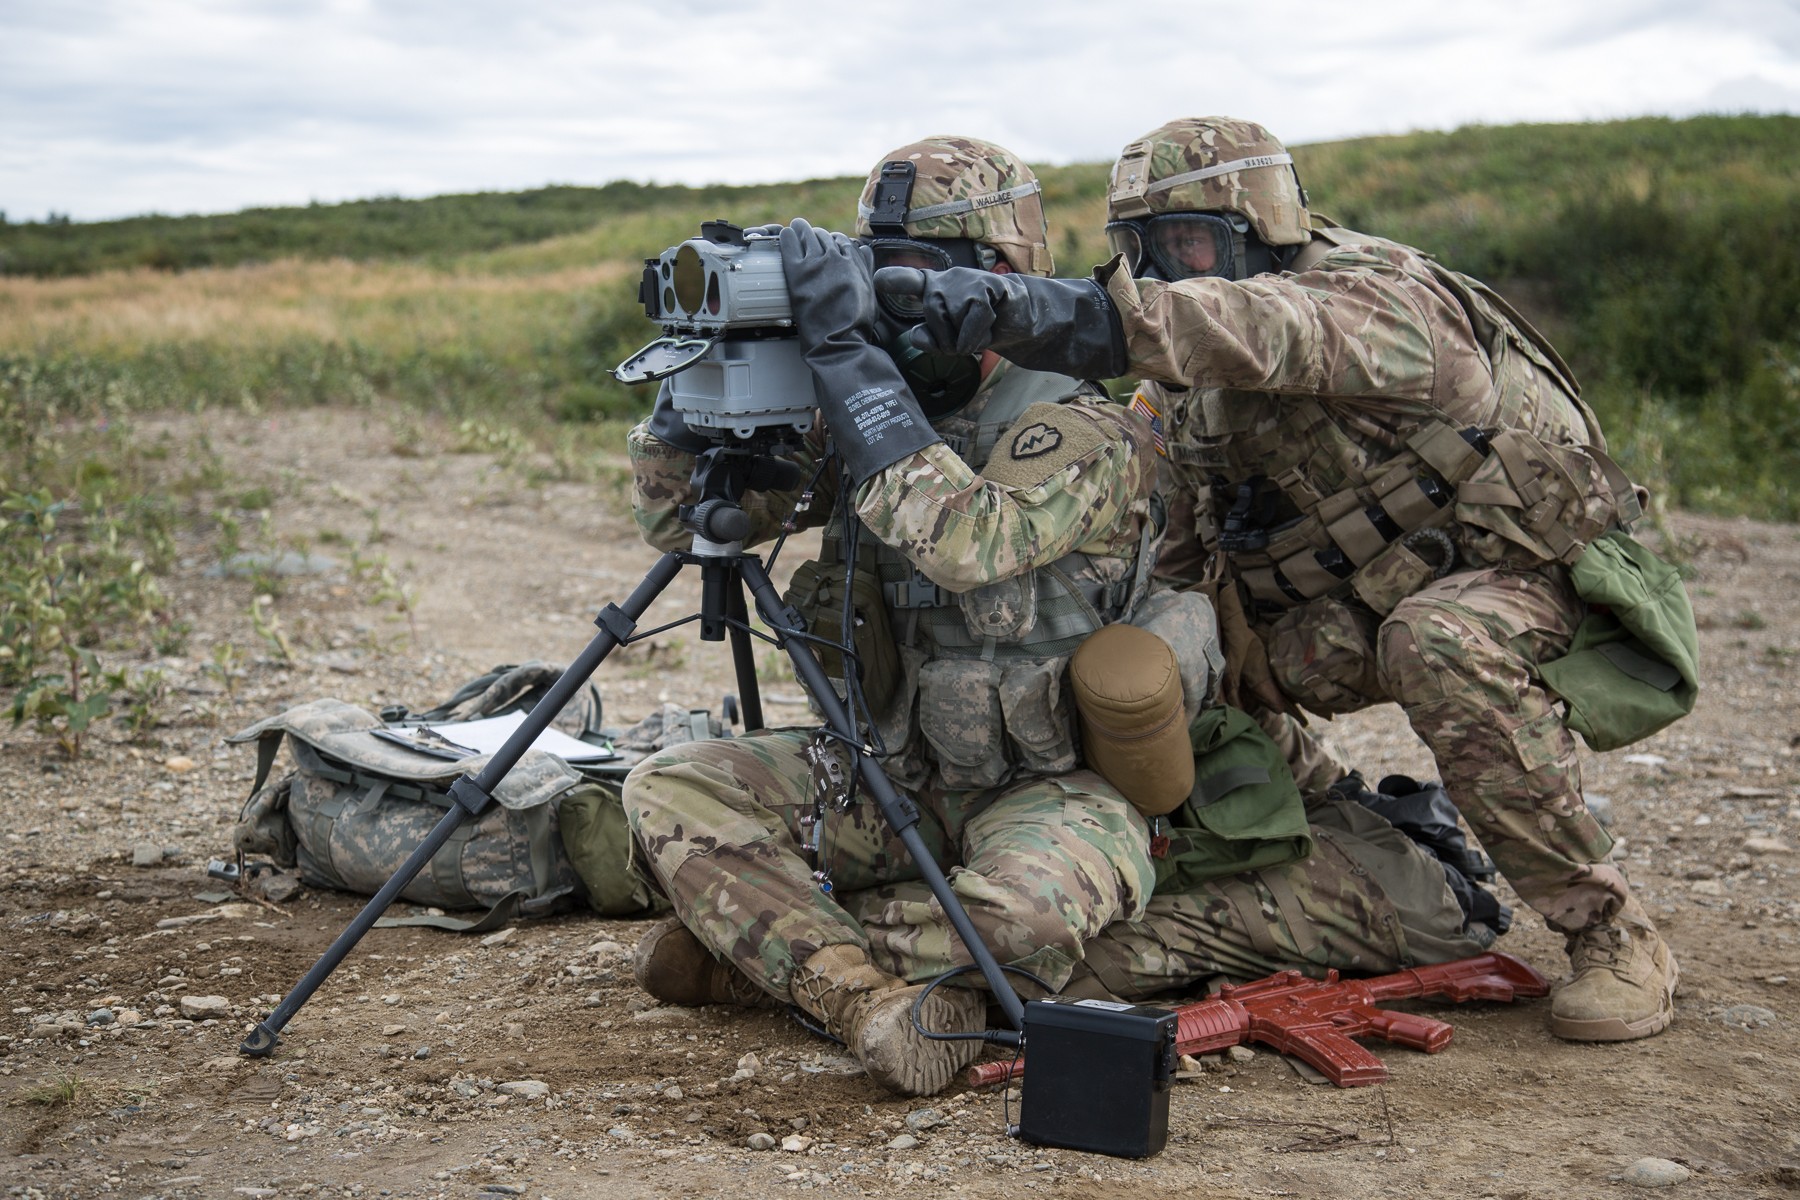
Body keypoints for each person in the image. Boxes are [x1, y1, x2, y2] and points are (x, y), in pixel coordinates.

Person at [874, 116, 1688, 1043]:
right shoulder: (1181, 369)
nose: (1173, 272)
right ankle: (1318, 819)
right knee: (1168, 633)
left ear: (1262, 227)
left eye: (1187, 244)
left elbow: (1273, 330)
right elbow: (1164, 531)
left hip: (1512, 580)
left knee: (1438, 639)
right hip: (1346, 607)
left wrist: (1044, 313)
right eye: (1142, 251)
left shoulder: (1377, 300)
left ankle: (1612, 931)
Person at [620, 137, 1177, 1096]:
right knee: (669, 790)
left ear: (999, 279)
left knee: (1022, 922)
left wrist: (848, 363)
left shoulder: (1091, 417)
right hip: (890, 775)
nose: (885, 298)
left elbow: (970, 541)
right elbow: (688, 524)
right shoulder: (865, 392)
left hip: (1047, 785)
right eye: (868, 273)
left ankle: (756, 948)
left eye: (915, 274)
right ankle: (865, 1001)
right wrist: (708, 377)